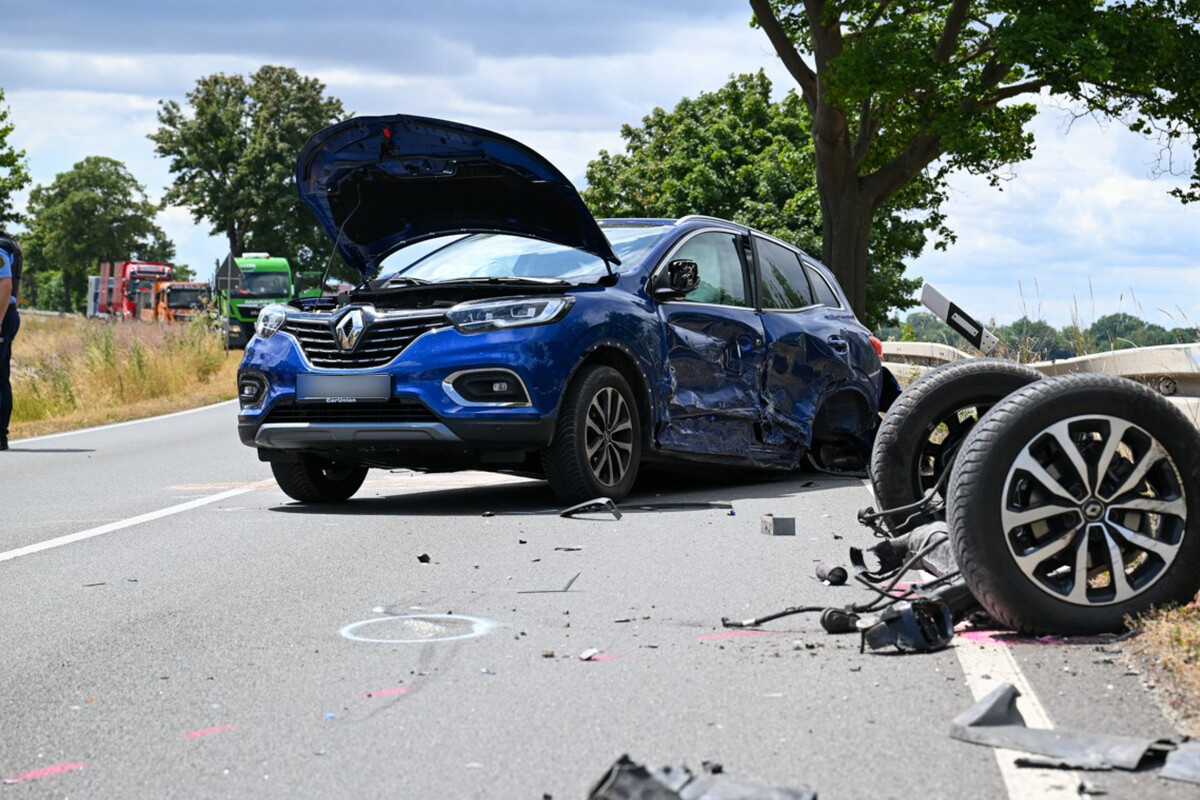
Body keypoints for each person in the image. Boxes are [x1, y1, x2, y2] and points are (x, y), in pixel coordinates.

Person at [0, 232, 21, 451]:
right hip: (8, 314)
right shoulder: (9, 244)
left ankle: (0, 436)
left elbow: (6, 286)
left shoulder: (0, 249)